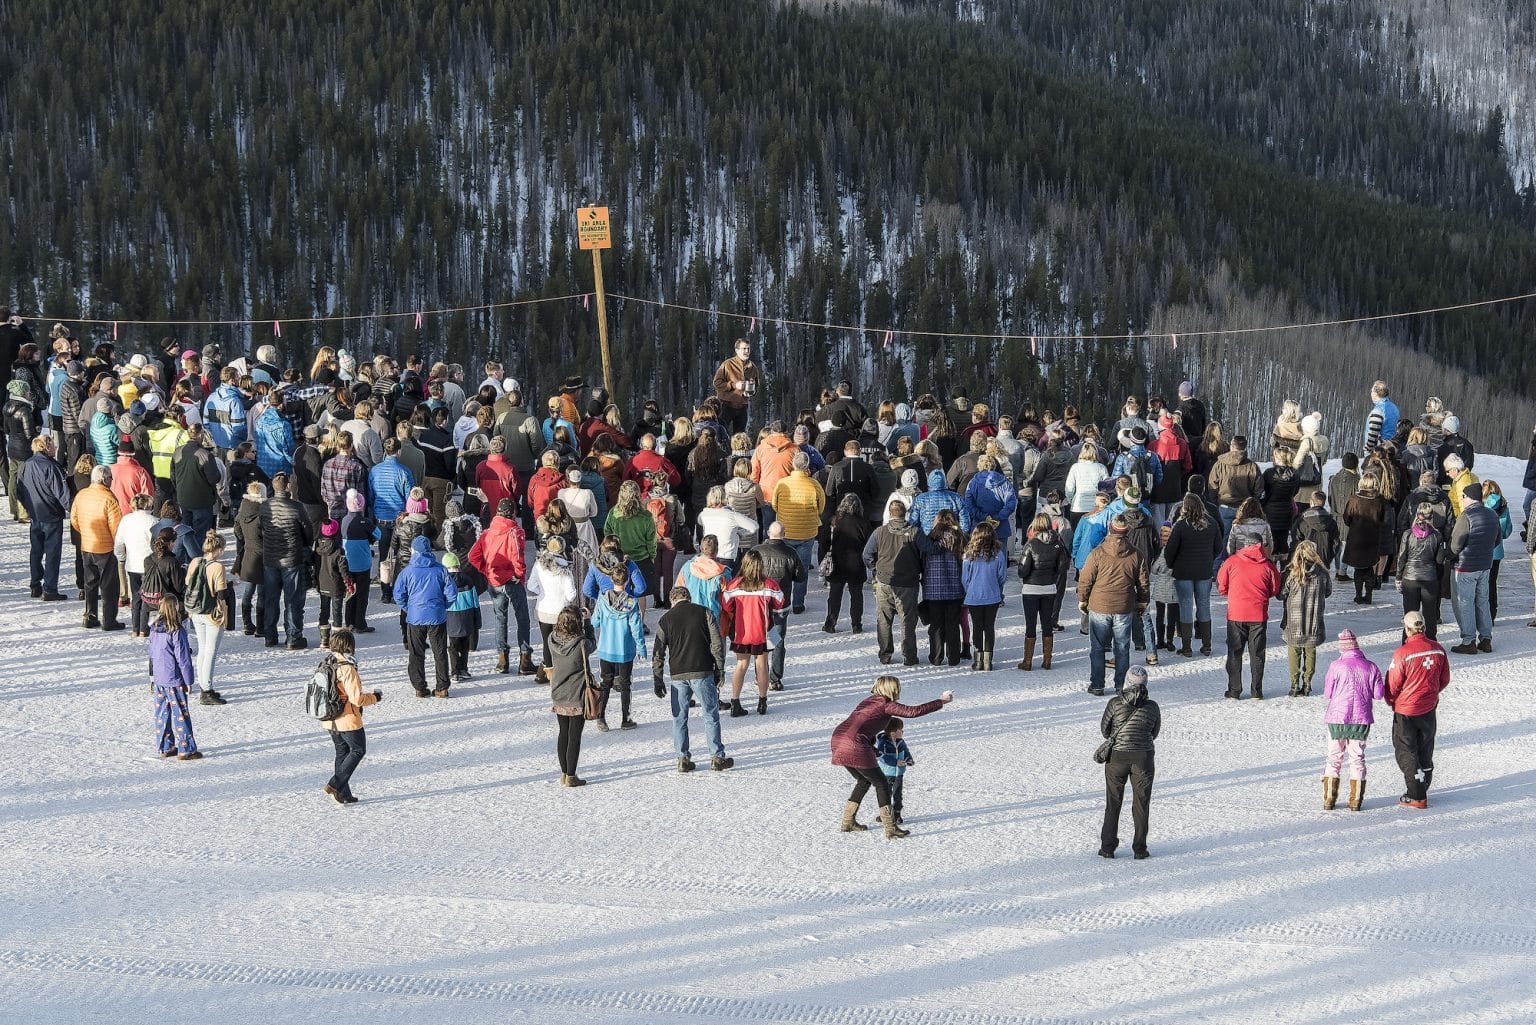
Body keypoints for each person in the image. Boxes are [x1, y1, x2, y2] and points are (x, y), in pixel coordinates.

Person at [830, 675, 951, 838]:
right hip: (854, 744)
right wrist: (941, 701)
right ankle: (890, 827)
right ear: (893, 689)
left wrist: (873, 750)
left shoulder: (868, 701)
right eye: (898, 687)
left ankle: (848, 822)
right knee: (882, 784)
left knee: (864, 780)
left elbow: (862, 726)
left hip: (839, 739)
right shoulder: (886, 705)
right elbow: (913, 712)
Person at [653, 586, 732, 773]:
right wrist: (719, 669)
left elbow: (658, 652)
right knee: (710, 715)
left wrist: (658, 678)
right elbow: (717, 643)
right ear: (689, 598)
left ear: (672, 601)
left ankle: (682, 758)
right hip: (702, 671)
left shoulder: (665, 619)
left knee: (679, 718)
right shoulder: (705, 612)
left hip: (678, 675)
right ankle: (716, 757)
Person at [1385, 610, 1450, 809]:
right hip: (1428, 707)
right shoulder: (1438, 650)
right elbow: (1444, 678)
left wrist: (1392, 700)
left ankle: (1417, 794)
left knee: (1406, 750)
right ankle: (1423, 784)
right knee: (1425, 747)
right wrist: (1431, 693)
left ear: (1406, 629)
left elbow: (1393, 684)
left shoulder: (1402, 654)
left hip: (1406, 709)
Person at [1078, 514, 1148, 696]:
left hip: (1100, 605)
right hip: (1124, 606)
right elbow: (1143, 582)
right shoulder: (1136, 554)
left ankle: (1097, 684)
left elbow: (1085, 579)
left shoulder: (1097, 553)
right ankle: (1120, 685)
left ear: (1110, 529)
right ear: (1127, 531)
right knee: (1122, 648)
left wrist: (1083, 599)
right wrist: (1142, 601)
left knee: (1098, 647)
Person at [1097, 666, 1160, 859]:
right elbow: (1154, 732)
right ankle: (1140, 848)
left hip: (1117, 757)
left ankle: (1108, 847)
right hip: (1143, 758)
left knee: (1113, 801)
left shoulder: (1115, 703)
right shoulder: (1152, 706)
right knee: (1142, 803)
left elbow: (1105, 731)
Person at [1320, 629, 1385, 811]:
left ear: (1342, 648)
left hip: (1337, 718)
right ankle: (1355, 800)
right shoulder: (1371, 667)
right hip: (1361, 719)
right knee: (1357, 758)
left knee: (1334, 757)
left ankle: (1329, 799)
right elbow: (1379, 694)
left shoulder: (1335, 666)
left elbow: (1328, 693)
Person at [469, 498, 535, 676]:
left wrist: (486, 570)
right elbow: (517, 557)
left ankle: (502, 659)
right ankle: (525, 659)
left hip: (495, 581)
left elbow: (473, 556)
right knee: (522, 618)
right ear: (512, 513)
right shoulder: (515, 532)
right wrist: (518, 575)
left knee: (500, 618)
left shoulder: (487, 533)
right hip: (512, 581)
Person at [719, 548, 786, 716]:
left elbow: (726, 605)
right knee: (762, 665)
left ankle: (735, 702)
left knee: (741, 665)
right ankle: (762, 702)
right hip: (763, 632)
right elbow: (780, 602)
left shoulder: (734, 585)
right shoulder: (769, 585)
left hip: (740, 632)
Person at [1217, 530, 1281, 700]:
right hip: (1258, 615)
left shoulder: (1232, 561)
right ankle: (1256, 691)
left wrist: (1233, 594)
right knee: (1257, 653)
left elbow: (1221, 586)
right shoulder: (1268, 565)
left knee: (1234, 653)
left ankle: (1234, 690)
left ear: (1245, 545)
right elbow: (1275, 588)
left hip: (1236, 614)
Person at [320, 628, 379, 805]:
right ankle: (335, 784)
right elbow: (356, 699)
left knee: (342, 753)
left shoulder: (327, 663)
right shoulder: (347, 668)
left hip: (330, 718)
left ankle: (342, 793)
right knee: (358, 750)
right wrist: (375, 697)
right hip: (347, 719)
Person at [394, 534, 457, 697]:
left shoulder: (407, 572)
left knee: (416, 653)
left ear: (413, 551)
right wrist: (443, 606)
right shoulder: (441, 570)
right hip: (436, 616)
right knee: (440, 652)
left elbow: (398, 595)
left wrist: (409, 608)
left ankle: (419, 687)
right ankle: (442, 687)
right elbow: (452, 593)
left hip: (415, 617)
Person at [864, 499, 924, 667]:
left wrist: (875, 569)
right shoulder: (915, 532)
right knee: (907, 620)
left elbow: (867, 554)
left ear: (890, 514)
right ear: (905, 514)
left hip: (884, 581)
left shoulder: (879, 532)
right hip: (908, 583)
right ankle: (909, 655)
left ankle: (885, 654)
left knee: (884, 620)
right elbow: (927, 551)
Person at [591, 554, 647, 730]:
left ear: (611, 578)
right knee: (625, 684)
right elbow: (636, 629)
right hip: (625, 650)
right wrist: (642, 648)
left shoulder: (602, 600)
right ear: (627, 579)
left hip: (606, 648)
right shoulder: (632, 603)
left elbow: (595, 622)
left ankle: (601, 717)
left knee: (605, 683)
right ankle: (625, 718)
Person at [260, 473, 314, 649]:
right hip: (292, 558)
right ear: (288, 486)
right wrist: (306, 545)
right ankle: (293, 636)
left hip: (270, 557)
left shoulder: (265, 506)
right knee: (293, 599)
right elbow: (307, 531)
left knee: (271, 598)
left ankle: (270, 635)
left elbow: (262, 527)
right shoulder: (296, 507)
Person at [749, 522, 805, 691]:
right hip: (781, 603)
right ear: (784, 534)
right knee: (778, 640)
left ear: (768, 533)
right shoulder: (791, 552)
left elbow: (746, 573)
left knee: (759, 640)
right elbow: (801, 577)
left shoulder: (756, 551)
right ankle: (775, 678)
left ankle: (760, 675)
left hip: (759, 603)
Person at [71, 464, 124, 630]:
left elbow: (74, 520)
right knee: (109, 586)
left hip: (87, 544)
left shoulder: (81, 495)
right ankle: (109, 620)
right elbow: (116, 527)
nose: (112, 480)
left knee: (90, 583)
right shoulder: (109, 498)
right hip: (106, 547)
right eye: (110, 478)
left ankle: (90, 615)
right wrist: (119, 544)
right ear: (104, 479)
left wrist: (85, 532)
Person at [16, 435, 70, 599]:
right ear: (46, 447)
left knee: (36, 551)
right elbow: (62, 493)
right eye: (53, 445)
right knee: (52, 554)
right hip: (51, 515)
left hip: (36, 515)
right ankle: (50, 589)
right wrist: (73, 509)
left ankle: (35, 585)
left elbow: (20, 491)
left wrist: (29, 508)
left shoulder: (27, 464)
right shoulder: (51, 467)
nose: (55, 448)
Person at [770, 451, 824, 612]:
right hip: (807, 532)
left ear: (793, 465)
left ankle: (783, 600)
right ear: (807, 466)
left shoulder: (782, 483)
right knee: (802, 568)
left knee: (784, 567)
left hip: (786, 531)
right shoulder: (814, 485)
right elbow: (821, 507)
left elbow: (774, 505)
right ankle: (798, 603)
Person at [1448, 482, 1498, 655]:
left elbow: (1456, 544)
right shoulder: (1492, 514)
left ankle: (1468, 641)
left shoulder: (1466, 516)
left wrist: (1447, 556)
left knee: (1464, 603)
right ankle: (1486, 639)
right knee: (1483, 601)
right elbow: (1497, 540)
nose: (1462, 499)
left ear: (1470, 498)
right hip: (1485, 565)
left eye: (1463, 496)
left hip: (1465, 566)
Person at [148, 596, 201, 760]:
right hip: (174, 679)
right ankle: (186, 749)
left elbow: (151, 654)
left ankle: (165, 746)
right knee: (180, 714)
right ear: (175, 607)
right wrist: (188, 680)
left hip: (159, 678)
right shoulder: (177, 631)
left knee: (161, 714)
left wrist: (152, 676)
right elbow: (183, 659)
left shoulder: (154, 629)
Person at [1012, 513, 1066, 671]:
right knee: (1047, 623)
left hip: (1031, 588)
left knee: (1031, 624)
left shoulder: (1031, 544)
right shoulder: (1057, 544)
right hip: (1049, 587)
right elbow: (1062, 566)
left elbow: (1022, 571)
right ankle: (1047, 660)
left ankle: (1027, 661)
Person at [546, 606, 592, 787]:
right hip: (576, 694)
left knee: (563, 733)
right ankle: (571, 775)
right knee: (574, 736)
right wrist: (588, 622)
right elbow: (593, 643)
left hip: (559, 692)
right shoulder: (582, 644)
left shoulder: (551, 639)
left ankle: (564, 773)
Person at [527, 536, 582, 683]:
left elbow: (531, 585)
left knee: (547, 642)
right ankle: (561, 673)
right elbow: (571, 594)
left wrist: (543, 593)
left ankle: (549, 674)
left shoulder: (539, 564)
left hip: (543, 610)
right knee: (561, 644)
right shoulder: (565, 568)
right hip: (560, 613)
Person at [915, 508, 965, 667]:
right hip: (955, 587)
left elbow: (922, 562)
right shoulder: (959, 538)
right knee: (953, 624)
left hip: (933, 588)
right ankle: (954, 657)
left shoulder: (930, 538)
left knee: (936, 624)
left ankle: (936, 656)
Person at [1281, 541, 1332, 696]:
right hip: (1314, 618)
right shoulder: (1322, 573)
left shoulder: (1292, 572)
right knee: (1310, 651)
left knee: (1294, 650)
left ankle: (1294, 684)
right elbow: (1328, 592)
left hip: (1294, 619)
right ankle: (1307, 682)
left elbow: (1283, 592)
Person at [960, 521, 1008, 672]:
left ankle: (978, 660)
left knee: (977, 627)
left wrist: (970, 590)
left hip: (974, 596)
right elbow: (1002, 576)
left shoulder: (969, 554)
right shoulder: (998, 554)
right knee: (989, 627)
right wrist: (997, 588)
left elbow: (965, 578)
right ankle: (988, 661)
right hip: (992, 595)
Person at [1395, 503, 1445, 642]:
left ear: (1416, 515)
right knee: (1430, 614)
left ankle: (1407, 642)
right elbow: (1440, 560)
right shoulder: (1436, 535)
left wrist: (1398, 577)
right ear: (1432, 517)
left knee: (1410, 613)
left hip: (1410, 578)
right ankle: (1431, 642)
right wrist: (1437, 577)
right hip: (1430, 577)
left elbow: (1402, 557)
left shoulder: (1408, 534)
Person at [822, 494, 870, 634]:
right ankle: (856, 624)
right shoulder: (863, 523)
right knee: (856, 595)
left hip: (837, 563)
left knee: (835, 595)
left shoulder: (834, 521)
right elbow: (869, 545)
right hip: (856, 564)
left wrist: (823, 560)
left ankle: (830, 623)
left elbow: (824, 543)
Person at [1342, 474, 1388, 604]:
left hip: (1356, 537)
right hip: (1373, 536)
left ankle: (1358, 595)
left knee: (1358, 568)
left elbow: (1347, 517)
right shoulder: (1380, 500)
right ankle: (1368, 595)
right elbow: (1383, 518)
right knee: (1369, 567)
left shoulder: (1354, 499)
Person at [1208, 436, 1263, 544]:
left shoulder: (1219, 464)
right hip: (1245, 508)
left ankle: (1222, 556)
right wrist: (1251, 502)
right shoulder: (1252, 466)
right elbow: (1258, 488)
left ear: (1231, 446)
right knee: (1244, 541)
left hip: (1224, 506)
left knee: (1223, 539)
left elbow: (1212, 485)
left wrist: (1216, 501)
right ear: (1245, 447)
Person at [442, 552, 482, 683]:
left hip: (451, 617)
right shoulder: (468, 580)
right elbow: (475, 601)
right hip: (467, 616)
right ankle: (464, 669)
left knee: (453, 647)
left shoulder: (444, 581)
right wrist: (477, 620)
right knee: (465, 645)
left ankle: (455, 671)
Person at [312, 518, 349, 648]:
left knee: (324, 611)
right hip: (336, 585)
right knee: (337, 612)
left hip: (322, 584)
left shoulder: (317, 548)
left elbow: (314, 565)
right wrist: (348, 582)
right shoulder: (338, 550)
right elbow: (343, 569)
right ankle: (336, 641)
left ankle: (324, 639)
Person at [675, 534, 732, 618]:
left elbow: (678, 594)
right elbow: (728, 601)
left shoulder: (687, 568)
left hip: (691, 616)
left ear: (701, 548)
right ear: (716, 550)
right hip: (714, 617)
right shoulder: (723, 573)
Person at [1480, 480, 1513, 622]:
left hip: (1481, 551)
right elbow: (1507, 531)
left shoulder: (1480, 506)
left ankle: (1481, 614)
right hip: (1497, 551)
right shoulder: (1503, 507)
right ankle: (1492, 613)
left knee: (1480, 584)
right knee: (1492, 583)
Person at [873, 718, 915, 825]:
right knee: (886, 794)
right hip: (887, 773)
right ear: (893, 733)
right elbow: (882, 757)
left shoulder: (901, 742)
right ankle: (885, 814)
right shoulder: (883, 743)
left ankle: (897, 814)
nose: (903, 732)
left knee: (898, 794)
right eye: (900, 730)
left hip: (899, 773)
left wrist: (909, 759)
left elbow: (906, 751)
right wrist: (895, 762)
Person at [712, 338, 758, 435]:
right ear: (737, 350)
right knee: (721, 433)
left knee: (740, 436)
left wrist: (751, 390)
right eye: (744, 349)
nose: (747, 351)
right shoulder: (728, 364)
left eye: (748, 349)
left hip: (743, 406)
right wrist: (734, 385)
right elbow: (717, 383)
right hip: (726, 405)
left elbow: (756, 386)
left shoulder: (752, 367)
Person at [1328, 452, 1361, 581]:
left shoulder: (1333, 479)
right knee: (1346, 545)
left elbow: (1330, 498)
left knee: (1338, 545)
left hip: (1335, 516)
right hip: (1350, 518)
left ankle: (1338, 570)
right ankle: (1342, 572)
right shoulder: (1357, 480)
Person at [1364, 380, 1400, 451]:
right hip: (1393, 448)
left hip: (1379, 451)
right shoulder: (1394, 408)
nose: (1371, 393)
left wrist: (1368, 448)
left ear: (1376, 393)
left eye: (1372, 391)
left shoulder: (1378, 411)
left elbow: (1373, 434)